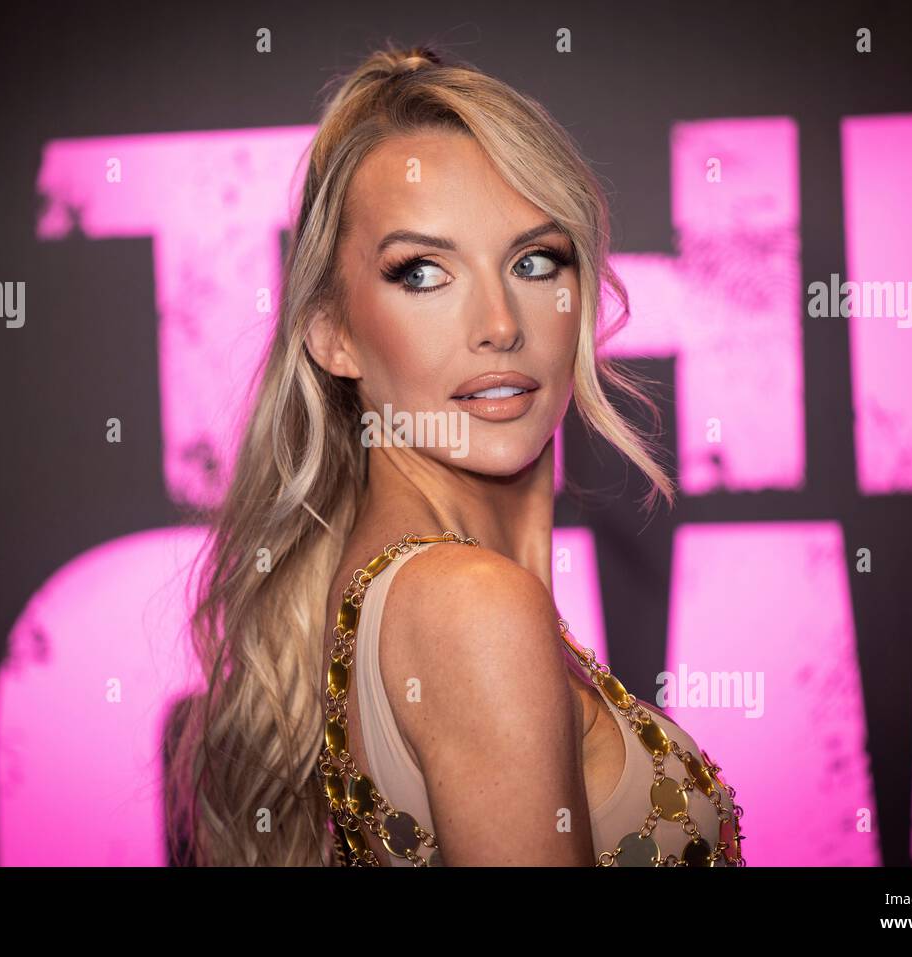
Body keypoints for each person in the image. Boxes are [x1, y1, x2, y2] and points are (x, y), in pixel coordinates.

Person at [166, 43, 744, 867]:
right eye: (424, 272)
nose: (501, 322)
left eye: (535, 260)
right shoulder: (470, 606)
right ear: (332, 333)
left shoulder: (395, 591)